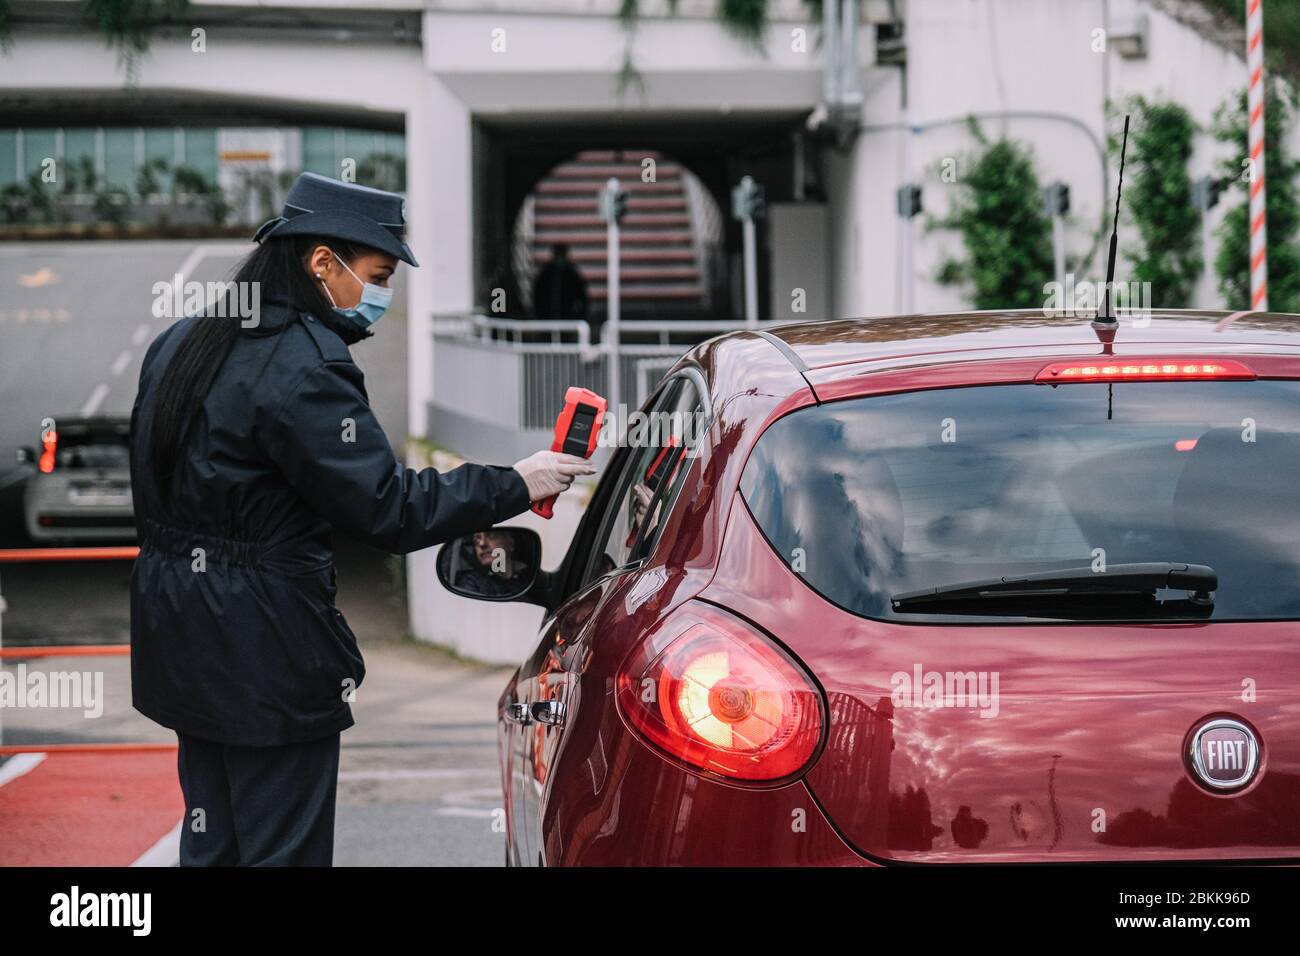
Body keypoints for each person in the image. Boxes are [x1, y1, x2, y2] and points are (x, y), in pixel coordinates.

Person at [127, 171, 595, 866]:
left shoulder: (183, 344)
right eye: (377, 274)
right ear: (322, 263)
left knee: (212, 844)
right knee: (282, 853)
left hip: (181, 636)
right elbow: (388, 507)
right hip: (264, 650)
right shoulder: (306, 366)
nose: (383, 293)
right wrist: (517, 483)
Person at [532, 243, 588, 324]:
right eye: (558, 254)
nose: (559, 258)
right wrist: (539, 314)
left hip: (568, 317)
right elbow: (538, 295)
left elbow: (582, 296)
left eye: (561, 254)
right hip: (547, 317)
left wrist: (579, 315)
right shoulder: (545, 274)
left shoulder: (572, 274)